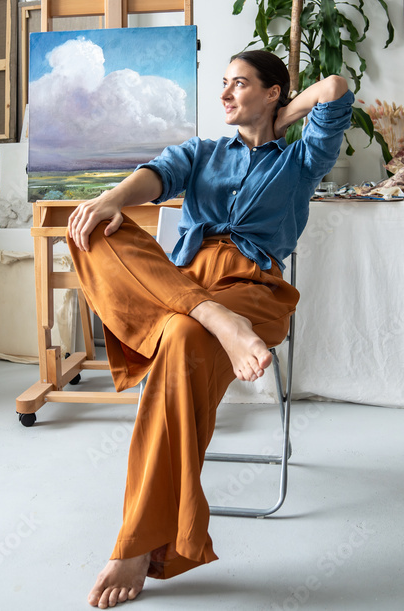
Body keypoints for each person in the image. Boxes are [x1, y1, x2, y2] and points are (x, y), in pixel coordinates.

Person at [67, 50, 353, 609]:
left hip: (253, 291)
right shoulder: (201, 152)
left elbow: (336, 88)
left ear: (273, 92)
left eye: (240, 84)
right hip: (188, 287)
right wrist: (109, 199)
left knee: (177, 340)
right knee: (97, 230)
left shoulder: (300, 161)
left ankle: (132, 543)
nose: (224, 94)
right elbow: (155, 176)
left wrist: (281, 118)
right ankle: (215, 320)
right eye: (222, 83)